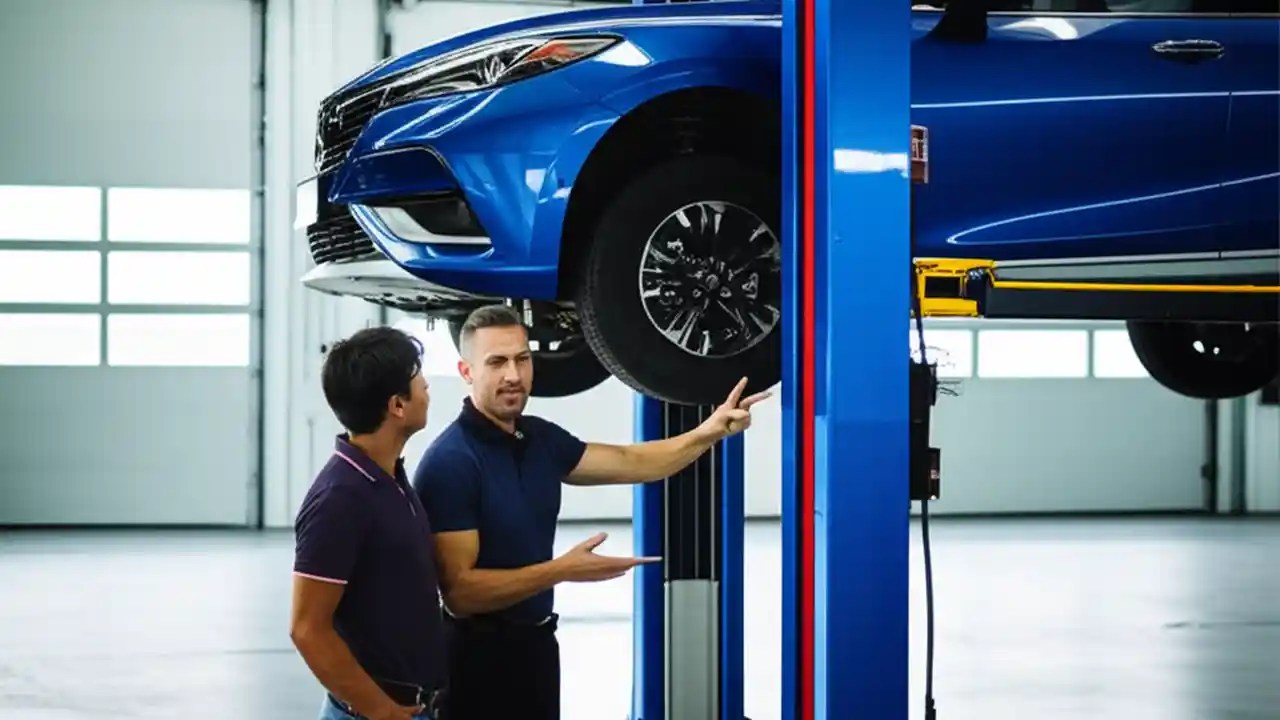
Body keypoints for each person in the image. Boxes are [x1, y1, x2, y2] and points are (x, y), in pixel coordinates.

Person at [411, 304, 770, 720]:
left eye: (522, 359)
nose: (513, 374)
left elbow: (632, 461)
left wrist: (709, 431)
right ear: (466, 371)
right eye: (496, 362)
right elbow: (461, 593)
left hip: (538, 647)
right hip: (475, 662)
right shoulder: (451, 463)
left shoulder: (538, 438)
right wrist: (560, 570)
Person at [290, 326, 449, 720]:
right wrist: (380, 710)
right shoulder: (340, 498)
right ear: (397, 405)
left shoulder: (388, 475)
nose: (427, 386)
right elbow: (307, 628)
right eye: (418, 379)